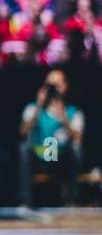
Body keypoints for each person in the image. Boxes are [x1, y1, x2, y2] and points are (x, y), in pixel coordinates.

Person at [19, 69, 84, 206]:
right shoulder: (32, 108)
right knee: (23, 148)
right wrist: (38, 106)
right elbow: (22, 133)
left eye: (57, 86)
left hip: (60, 159)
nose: (53, 90)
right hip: (38, 157)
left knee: (75, 149)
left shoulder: (73, 112)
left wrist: (64, 118)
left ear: (65, 87)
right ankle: (24, 199)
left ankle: (71, 199)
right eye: (49, 86)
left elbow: (78, 139)